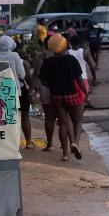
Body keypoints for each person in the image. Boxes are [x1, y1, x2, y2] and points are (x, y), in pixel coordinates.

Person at [37, 33, 85, 161]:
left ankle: (65, 152)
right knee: (77, 120)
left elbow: (43, 81)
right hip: (71, 94)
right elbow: (79, 79)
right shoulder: (71, 59)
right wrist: (85, 93)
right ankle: (76, 142)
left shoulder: (48, 62)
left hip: (56, 96)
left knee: (65, 122)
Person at [0, 34, 34, 152]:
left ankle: (7, 143)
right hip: (17, 89)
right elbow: (22, 74)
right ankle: (28, 141)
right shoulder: (14, 55)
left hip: (0, 91)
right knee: (24, 116)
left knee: (5, 117)